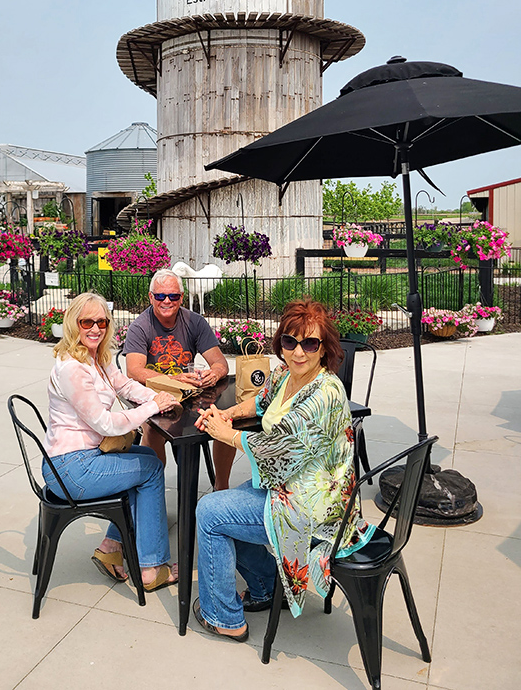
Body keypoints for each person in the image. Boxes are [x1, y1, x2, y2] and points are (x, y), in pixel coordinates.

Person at [191, 299, 376, 641]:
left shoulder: (325, 393)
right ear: (281, 344)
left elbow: (277, 452)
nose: (299, 353)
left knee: (210, 511)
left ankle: (223, 617)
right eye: (290, 342)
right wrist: (227, 414)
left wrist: (224, 433)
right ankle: (263, 585)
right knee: (229, 503)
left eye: (310, 343)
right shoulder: (285, 375)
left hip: (314, 508)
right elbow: (261, 401)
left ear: (325, 349)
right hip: (288, 486)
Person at [42, 291, 180, 592]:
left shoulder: (96, 358)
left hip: (83, 458)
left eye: (102, 322)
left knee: (145, 458)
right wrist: (153, 408)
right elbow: (104, 423)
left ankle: (111, 547)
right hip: (70, 468)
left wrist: (156, 397)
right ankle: (152, 567)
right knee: (152, 469)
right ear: (73, 324)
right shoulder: (73, 368)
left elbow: (125, 385)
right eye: (87, 322)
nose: (95, 328)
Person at [123, 268, 233, 489]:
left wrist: (214, 374)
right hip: (153, 395)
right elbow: (134, 371)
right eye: (160, 296)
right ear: (151, 297)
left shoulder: (194, 321)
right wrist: (174, 379)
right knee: (154, 428)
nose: (167, 301)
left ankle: (221, 487)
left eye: (173, 296)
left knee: (224, 418)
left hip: (190, 397)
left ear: (181, 298)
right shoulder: (140, 326)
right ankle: (153, 489)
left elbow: (221, 363)